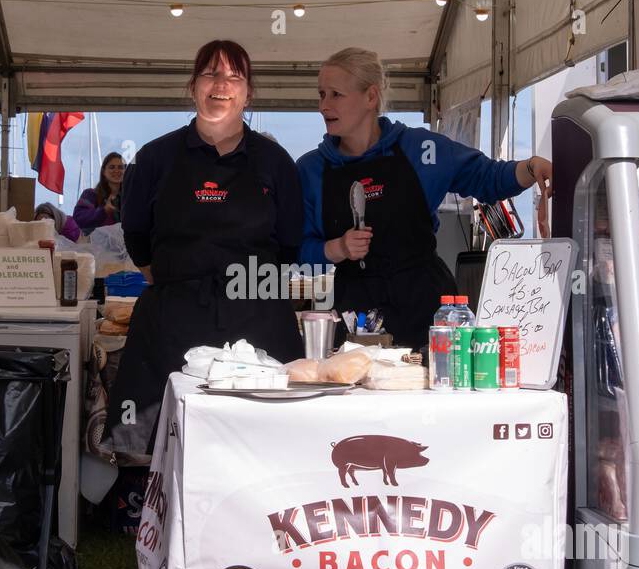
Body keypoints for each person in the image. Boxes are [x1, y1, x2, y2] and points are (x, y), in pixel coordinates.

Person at [104, 39, 304, 460]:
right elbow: (137, 232)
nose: (221, 85)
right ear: (193, 85)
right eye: (211, 74)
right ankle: (164, 516)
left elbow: (289, 240)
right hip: (177, 312)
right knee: (168, 439)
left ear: (248, 91)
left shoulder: (274, 161)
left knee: (262, 437)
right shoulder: (156, 158)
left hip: (259, 310)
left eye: (234, 76)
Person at [297, 47, 553, 349]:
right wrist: (336, 248)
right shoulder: (311, 169)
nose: (324, 105)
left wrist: (530, 167)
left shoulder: (421, 149)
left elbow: (486, 177)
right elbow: (298, 251)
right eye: (321, 94)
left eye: (336, 95)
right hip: (355, 317)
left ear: (371, 97)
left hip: (427, 310)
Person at [72, 152, 125, 234]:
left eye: (121, 167)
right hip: (97, 245)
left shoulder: (131, 198)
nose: (116, 170)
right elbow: (78, 219)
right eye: (112, 167)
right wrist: (104, 211)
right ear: (104, 172)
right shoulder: (90, 194)